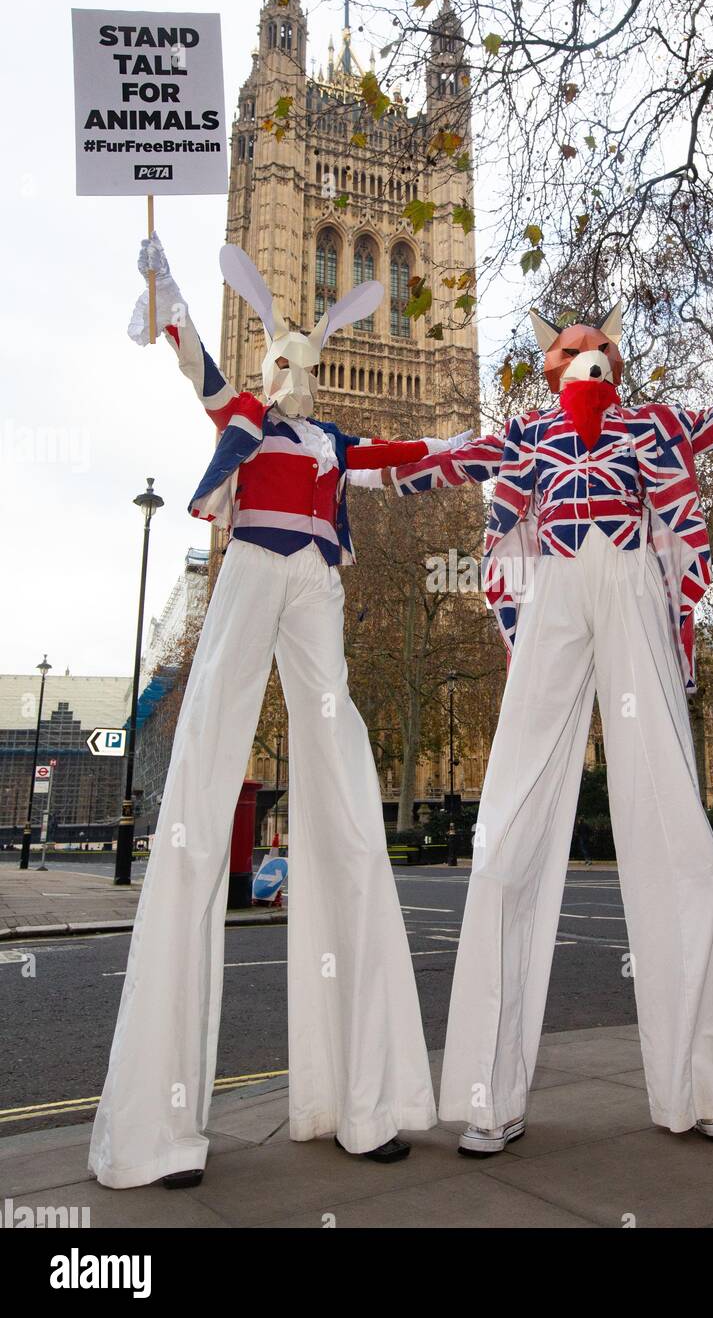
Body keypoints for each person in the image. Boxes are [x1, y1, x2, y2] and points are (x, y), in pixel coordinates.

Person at [370, 297, 713, 1152]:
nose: (591, 358)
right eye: (576, 350)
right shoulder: (528, 435)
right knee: (513, 817)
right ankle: (491, 1093)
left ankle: (708, 1081)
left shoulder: (651, 428)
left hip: (634, 578)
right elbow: (443, 457)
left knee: (675, 819)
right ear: (554, 364)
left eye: (602, 348)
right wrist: (344, 464)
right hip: (555, 590)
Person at [88, 236, 467, 1190]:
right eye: (283, 358)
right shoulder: (250, 419)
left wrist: (480, 448)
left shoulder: (332, 443)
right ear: (271, 362)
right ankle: (161, 1127)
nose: (296, 372)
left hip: (319, 587)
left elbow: (403, 452)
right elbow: (196, 369)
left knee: (340, 765)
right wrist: (164, 288)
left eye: (306, 359)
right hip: (255, 567)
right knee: (209, 745)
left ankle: (362, 1099)